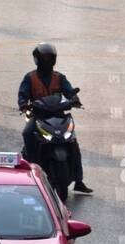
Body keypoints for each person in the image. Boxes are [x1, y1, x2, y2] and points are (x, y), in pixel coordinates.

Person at [18, 43, 92, 194]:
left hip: (59, 115)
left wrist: (74, 98)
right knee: (27, 133)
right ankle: (32, 168)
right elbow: (23, 94)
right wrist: (24, 105)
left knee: (73, 142)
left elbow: (69, 91)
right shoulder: (30, 78)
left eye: (49, 58)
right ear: (37, 59)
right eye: (44, 58)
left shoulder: (59, 77)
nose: (46, 61)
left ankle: (78, 180)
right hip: (39, 116)